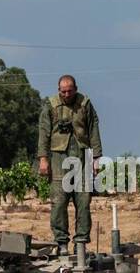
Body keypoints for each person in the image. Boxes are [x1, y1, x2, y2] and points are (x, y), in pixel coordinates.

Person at [37, 75, 102, 253]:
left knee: (83, 202)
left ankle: (81, 242)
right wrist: (43, 158)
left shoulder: (85, 104)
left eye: (70, 91)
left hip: (82, 156)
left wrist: (97, 157)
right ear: (59, 90)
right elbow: (44, 132)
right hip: (59, 158)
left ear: (76, 89)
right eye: (63, 91)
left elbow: (93, 129)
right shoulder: (50, 105)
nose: (67, 94)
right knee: (59, 201)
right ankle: (61, 242)